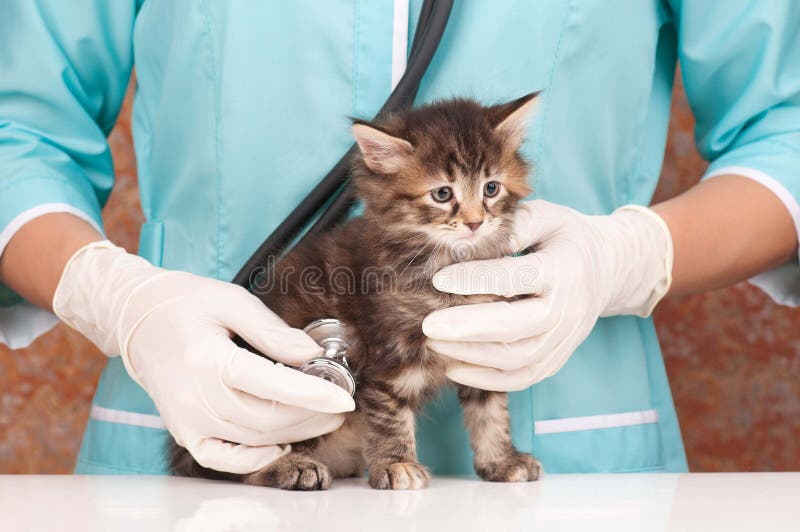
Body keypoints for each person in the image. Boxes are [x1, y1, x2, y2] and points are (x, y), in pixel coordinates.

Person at [0, 0, 798, 476]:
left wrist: (631, 260)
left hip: (578, 458)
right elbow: (17, 128)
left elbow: (787, 126)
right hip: (212, 447)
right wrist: (112, 297)